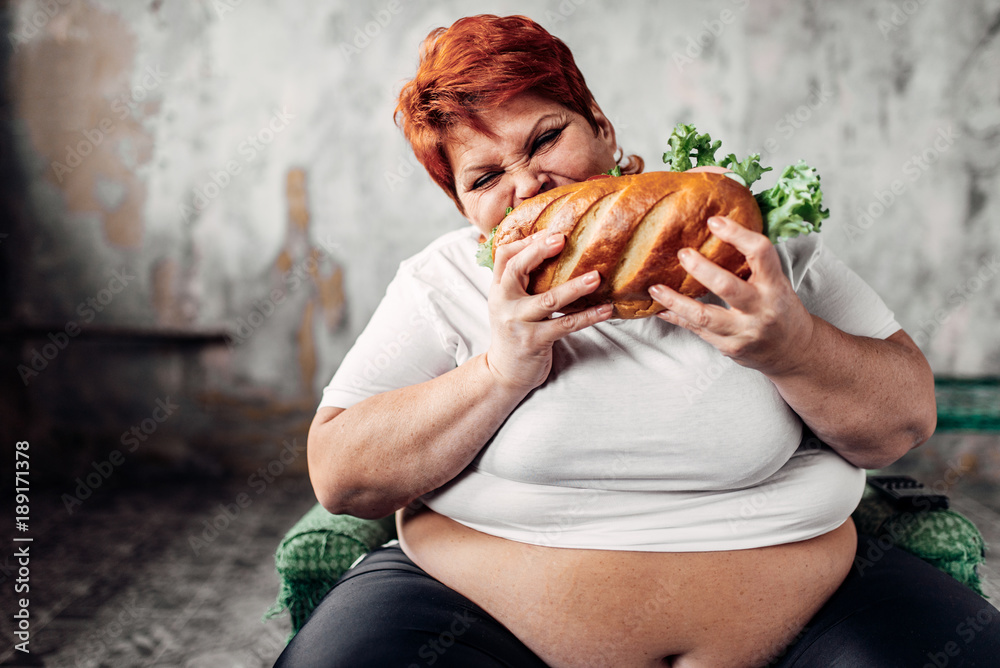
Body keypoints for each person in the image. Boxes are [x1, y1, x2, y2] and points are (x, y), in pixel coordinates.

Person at [275, 14, 1000, 668]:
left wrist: (792, 348)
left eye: (545, 139)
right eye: (487, 176)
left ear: (602, 126)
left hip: (816, 618)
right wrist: (500, 372)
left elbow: (903, 425)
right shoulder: (447, 280)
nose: (529, 185)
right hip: (467, 618)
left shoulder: (748, 240)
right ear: (465, 208)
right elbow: (342, 478)